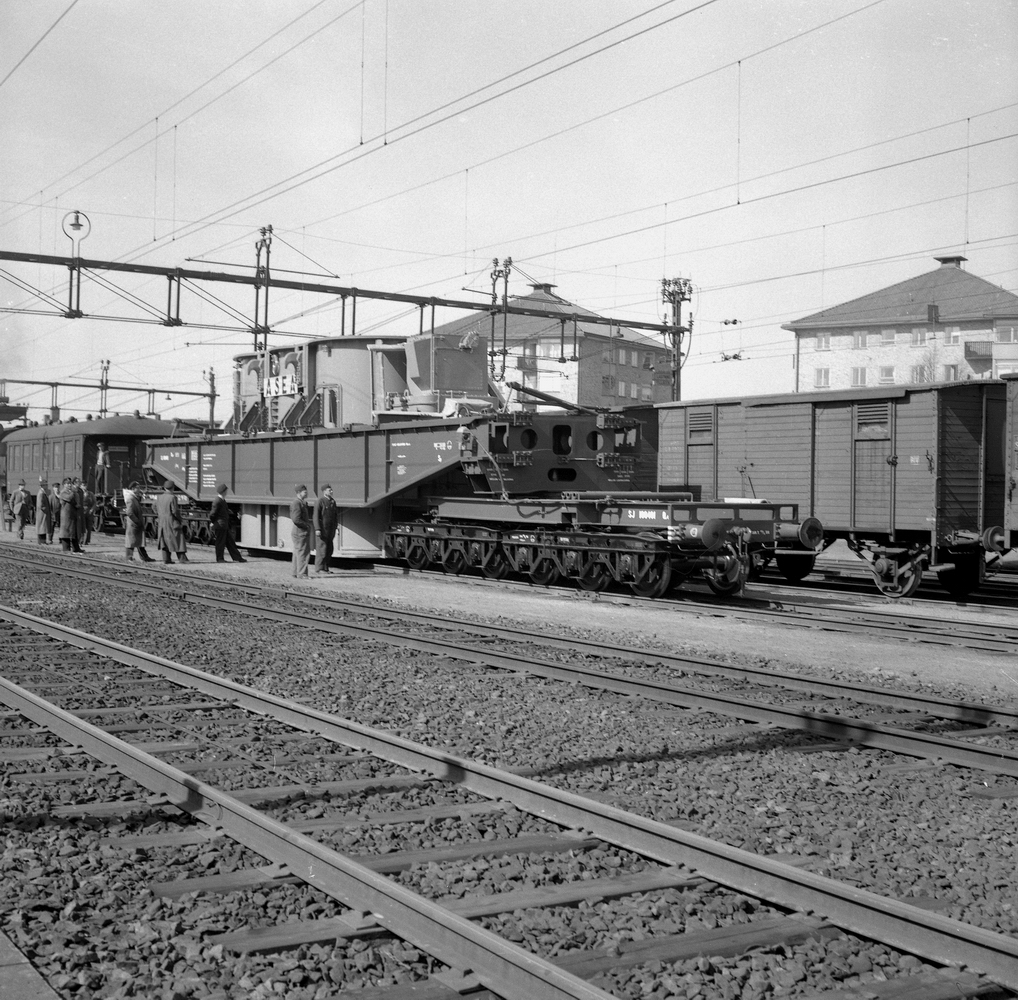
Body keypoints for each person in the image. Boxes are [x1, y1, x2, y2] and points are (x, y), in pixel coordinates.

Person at [209, 483, 246, 563]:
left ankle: (237, 557)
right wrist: (213, 522)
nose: (227, 492)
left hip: (224, 525)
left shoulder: (222, 500)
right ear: (223, 492)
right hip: (220, 525)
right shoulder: (217, 501)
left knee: (230, 542)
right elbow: (212, 514)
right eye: (226, 491)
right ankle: (220, 559)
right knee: (220, 542)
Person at [155, 480, 189, 563]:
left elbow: (153, 507)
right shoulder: (173, 497)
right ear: (173, 488)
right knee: (178, 539)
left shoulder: (159, 497)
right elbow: (175, 511)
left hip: (162, 521)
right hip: (171, 521)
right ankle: (182, 559)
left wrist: (160, 514)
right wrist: (180, 519)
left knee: (164, 540)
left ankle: (166, 559)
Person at [124, 482, 154, 562]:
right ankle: (129, 557)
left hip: (135, 523)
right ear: (133, 489)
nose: (139, 489)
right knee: (131, 541)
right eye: (137, 487)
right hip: (134, 524)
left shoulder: (134, 497)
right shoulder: (130, 498)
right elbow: (129, 512)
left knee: (139, 541)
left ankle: (144, 557)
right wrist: (137, 521)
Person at [312, 483, 338, 573]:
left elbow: (335, 516)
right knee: (322, 549)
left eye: (331, 490)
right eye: (329, 490)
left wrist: (335, 527)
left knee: (329, 549)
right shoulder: (320, 501)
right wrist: (317, 529)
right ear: (324, 491)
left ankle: (326, 567)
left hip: (330, 530)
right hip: (323, 529)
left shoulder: (332, 502)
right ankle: (319, 568)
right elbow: (316, 516)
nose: (331, 491)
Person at [290, 483, 311, 578]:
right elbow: (296, 519)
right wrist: (306, 525)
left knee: (297, 553)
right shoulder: (297, 503)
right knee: (303, 552)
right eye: (304, 492)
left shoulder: (302, 502)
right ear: (299, 492)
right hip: (300, 531)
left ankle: (295, 573)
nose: (306, 493)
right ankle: (302, 574)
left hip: (299, 531)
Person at [57, 478, 81, 553]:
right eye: (67, 484)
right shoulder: (63, 492)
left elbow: (77, 500)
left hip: (72, 514)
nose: (69, 485)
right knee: (65, 533)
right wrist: (73, 492)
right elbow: (69, 498)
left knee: (73, 532)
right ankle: (65, 548)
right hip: (66, 515)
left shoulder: (72, 492)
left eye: (70, 483)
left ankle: (76, 548)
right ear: (64, 485)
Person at [35, 478, 52, 544]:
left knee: (43, 527)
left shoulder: (42, 493)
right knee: (42, 527)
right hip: (42, 514)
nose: (46, 486)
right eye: (45, 485)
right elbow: (40, 504)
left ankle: (43, 541)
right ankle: (41, 541)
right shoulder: (41, 493)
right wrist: (45, 509)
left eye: (46, 485)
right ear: (42, 486)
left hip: (43, 513)